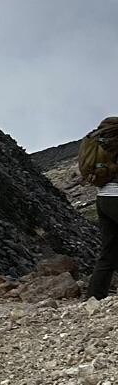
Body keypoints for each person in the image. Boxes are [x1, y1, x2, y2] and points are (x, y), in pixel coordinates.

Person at [80, 117, 118, 299]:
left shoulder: (98, 143)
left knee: (108, 252)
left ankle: (94, 297)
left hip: (103, 199)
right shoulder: (116, 142)